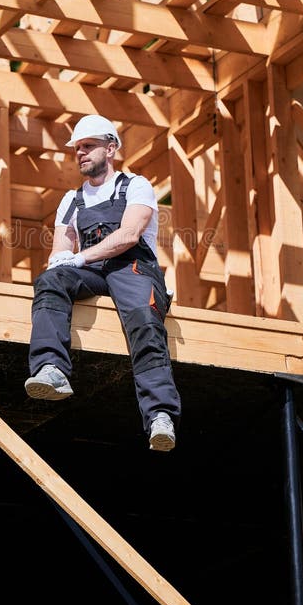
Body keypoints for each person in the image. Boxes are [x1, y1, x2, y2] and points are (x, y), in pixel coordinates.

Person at [25, 114, 181, 452]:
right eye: (78, 148)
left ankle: (159, 414)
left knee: (143, 318)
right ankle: (51, 368)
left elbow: (128, 235)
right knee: (50, 280)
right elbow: (61, 252)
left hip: (132, 264)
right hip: (94, 269)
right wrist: (62, 264)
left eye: (88, 146)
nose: (80, 153)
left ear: (110, 148)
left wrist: (79, 258)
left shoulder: (134, 185)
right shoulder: (71, 200)